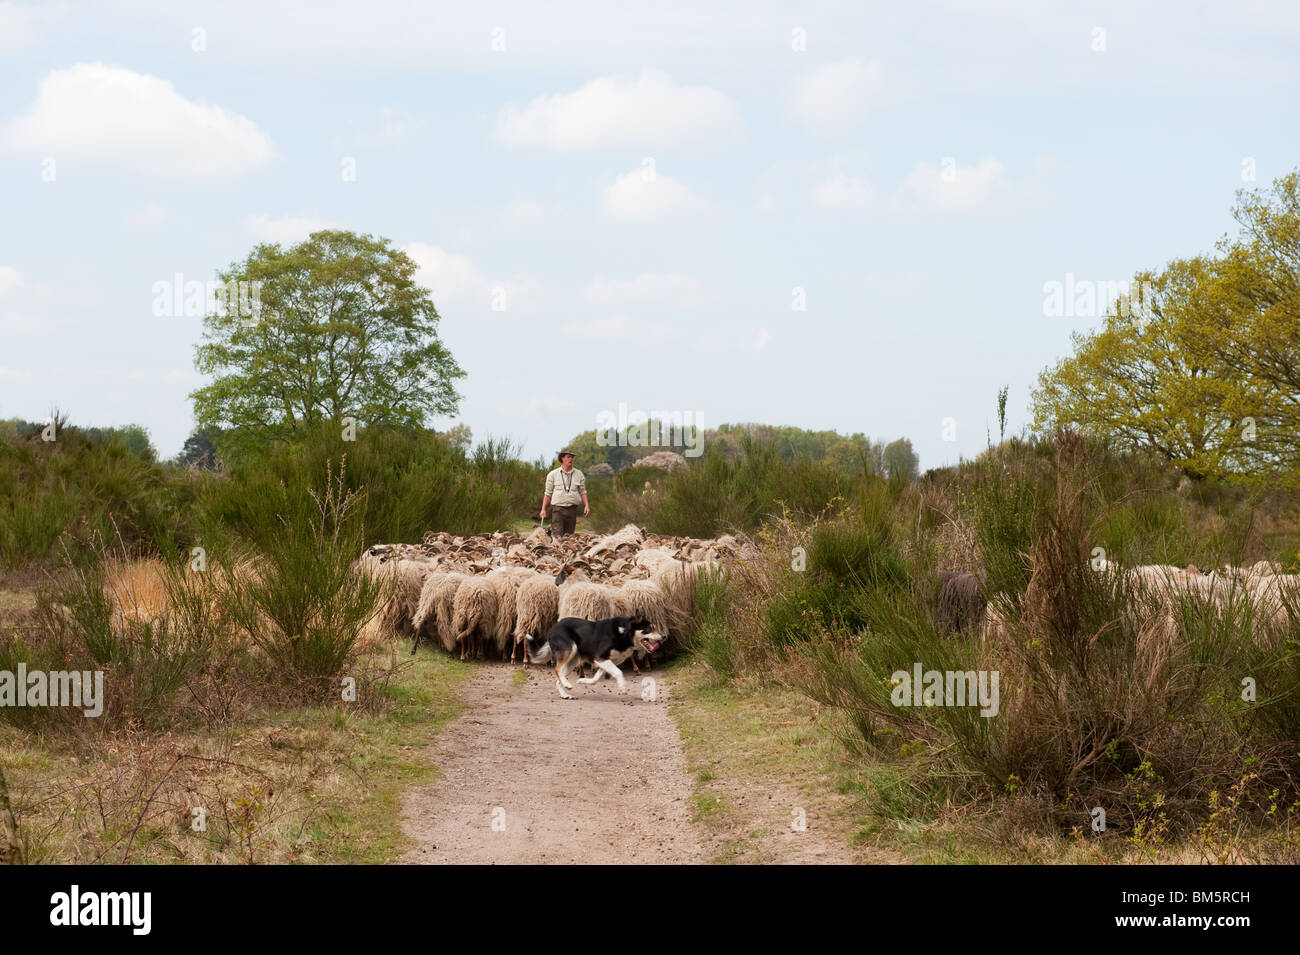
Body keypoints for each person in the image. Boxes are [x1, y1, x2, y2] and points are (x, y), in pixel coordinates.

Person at [541, 449, 588, 538]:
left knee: (569, 537)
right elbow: (547, 493)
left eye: (572, 457)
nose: (571, 459)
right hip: (558, 509)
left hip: (572, 509)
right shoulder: (552, 474)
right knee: (558, 535)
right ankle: (556, 551)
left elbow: (583, 491)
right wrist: (543, 509)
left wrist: (586, 505)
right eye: (568, 457)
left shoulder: (579, 474)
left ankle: (566, 552)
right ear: (562, 458)